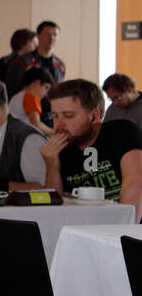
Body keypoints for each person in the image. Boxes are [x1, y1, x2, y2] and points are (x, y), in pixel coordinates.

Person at [40, 79, 142, 220]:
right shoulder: (60, 148)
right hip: (87, 229)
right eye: (55, 116)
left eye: (68, 115)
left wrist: (123, 235)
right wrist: (51, 166)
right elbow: (55, 209)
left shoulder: (123, 131)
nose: (59, 124)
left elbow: (136, 184)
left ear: (94, 116)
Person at [9, 67, 54, 137]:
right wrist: (53, 132)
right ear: (37, 83)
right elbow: (36, 124)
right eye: (46, 88)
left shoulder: (15, 97)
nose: (46, 94)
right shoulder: (31, 97)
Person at [0, 28, 37, 99]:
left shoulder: (4, 60)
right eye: (32, 42)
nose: (36, 46)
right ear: (22, 43)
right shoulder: (12, 62)